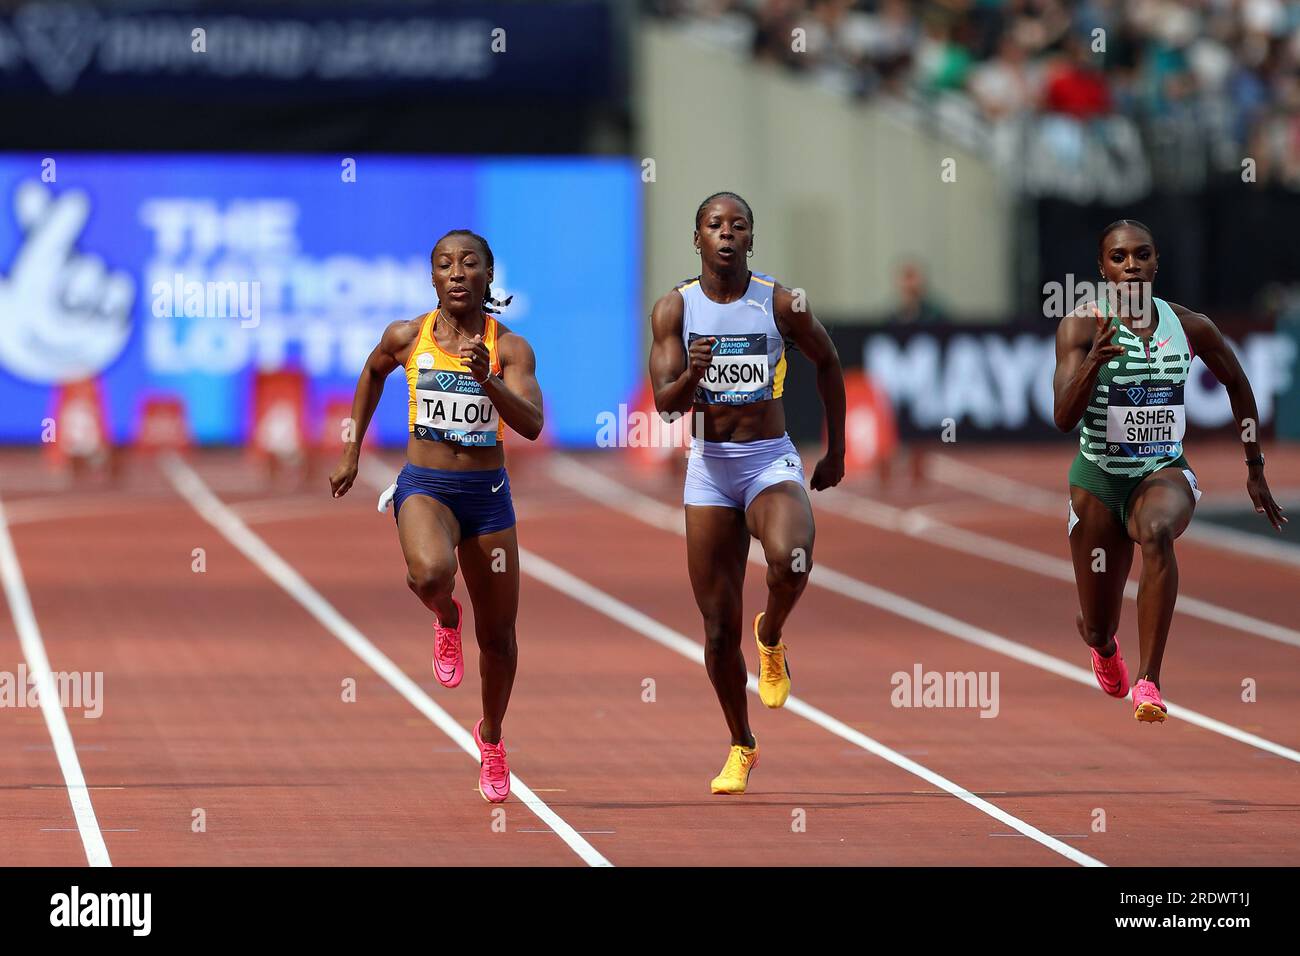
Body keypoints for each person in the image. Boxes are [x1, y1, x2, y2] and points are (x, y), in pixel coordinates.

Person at [329, 230, 544, 801]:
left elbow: (531, 424)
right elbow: (372, 373)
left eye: (469, 263)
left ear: (487, 276)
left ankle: (492, 737)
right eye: (445, 264)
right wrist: (352, 449)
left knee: (498, 637)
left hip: (487, 496)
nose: (456, 272)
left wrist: (488, 380)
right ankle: (445, 618)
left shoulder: (511, 348)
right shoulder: (407, 336)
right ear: (432, 278)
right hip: (425, 485)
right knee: (429, 574)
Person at [648, 191, 847, 793]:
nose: (727, 234)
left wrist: (836, 449)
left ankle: (771, 634)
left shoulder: (781, 303)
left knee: (792, 557)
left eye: (738, 226)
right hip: (710, 465)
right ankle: (741, 743)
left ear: (752, 240)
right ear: (697, 238)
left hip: (766, 459)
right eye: (714, 225)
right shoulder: (673, 310)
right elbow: (664, 406)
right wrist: (693, 374)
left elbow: (830, 362)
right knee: (714, 630)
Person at [1053, 218, 1286, 722]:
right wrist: (1093, 361)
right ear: (1102, 268)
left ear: (1157, 262)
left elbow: (1239, 385)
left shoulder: (1190, 326)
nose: (1131, 265)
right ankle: (1104, 645)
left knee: (1156, 531)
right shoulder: (1079, 326)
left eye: (1142, 254)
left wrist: (1255, 467)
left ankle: (1150, 680)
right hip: (1097, 480)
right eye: (1119, 257)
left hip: (1163, 471)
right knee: (1096, 623)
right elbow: (1062, 417)